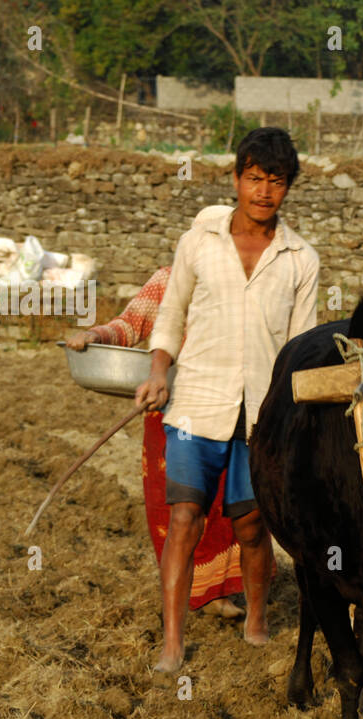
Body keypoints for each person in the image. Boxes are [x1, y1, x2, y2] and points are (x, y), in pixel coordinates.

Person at [136, 128, 320, 673]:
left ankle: (257, 618)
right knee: (186, 515)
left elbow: (300, 345)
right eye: (255, 178)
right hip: (196, 400)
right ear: (237, 178)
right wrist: (158, 372)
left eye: (276, 182)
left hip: (263, 416)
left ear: (288, 189)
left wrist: (298, 416)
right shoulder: (199, 242)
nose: (263, 192)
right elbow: (171, 314)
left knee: (252, 523)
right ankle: (172, 643)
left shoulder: (300, 259)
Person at [65, 245, 258, 622]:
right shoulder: (166, 282)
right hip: (172, 408)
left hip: (226, 406)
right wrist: (94, 335)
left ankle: (219, 589)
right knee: (178, 502)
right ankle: (194, 591)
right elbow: (130, 324)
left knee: (224, 499)